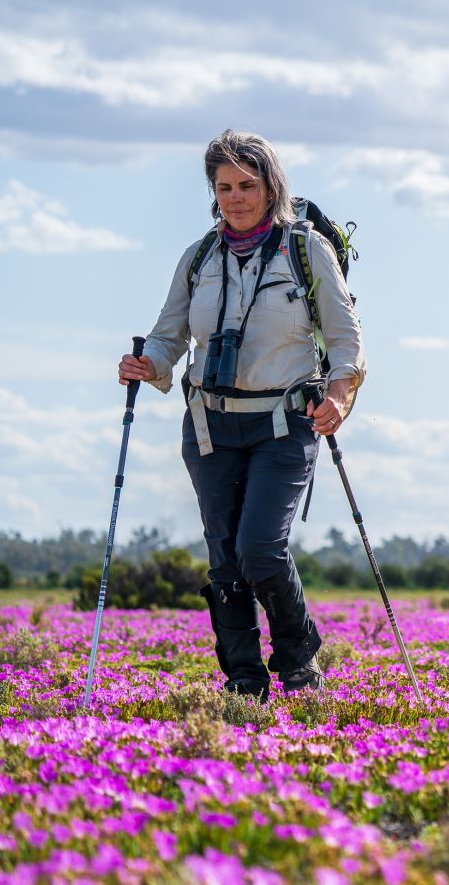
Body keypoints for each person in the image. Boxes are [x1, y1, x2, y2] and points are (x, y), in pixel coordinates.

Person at [117, 129, 365, 700]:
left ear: (270, 186)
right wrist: (144, 364)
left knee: (260, 548)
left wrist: (341, 397)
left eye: (247, 185)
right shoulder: (199, 257)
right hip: (209, 424)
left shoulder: (305, 251)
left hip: (284, 420)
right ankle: (244, 681)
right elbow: (167, 337)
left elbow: (347, 340)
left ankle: (300, 658)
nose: (235, 197)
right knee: (225, 557)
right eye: (224, 186)